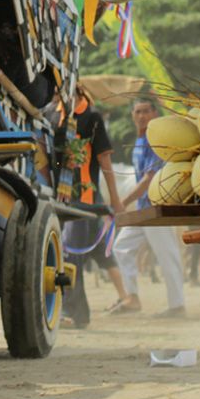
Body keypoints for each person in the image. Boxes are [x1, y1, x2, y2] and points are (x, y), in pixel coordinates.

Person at [109, 96, 187, 318]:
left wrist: (122, 203)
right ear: (132, 115)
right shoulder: (140, 141)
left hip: (157, 208)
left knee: (167, 255)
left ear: (155, 114)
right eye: (137, 112)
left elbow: (148, 180)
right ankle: (132, 297)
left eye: (145, 111)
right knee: (121, 248)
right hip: (144, 208)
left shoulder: (155, 140)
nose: (141, 116)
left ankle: (177, 305)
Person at [58, 85, 128, 329]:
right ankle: (81, 314)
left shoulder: (91, 117)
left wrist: (116, 199)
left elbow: (104, 159)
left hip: (85, 198)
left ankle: (70, 311)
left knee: (71, 255)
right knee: (87, 252)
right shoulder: (53, 115)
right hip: (60, 197)